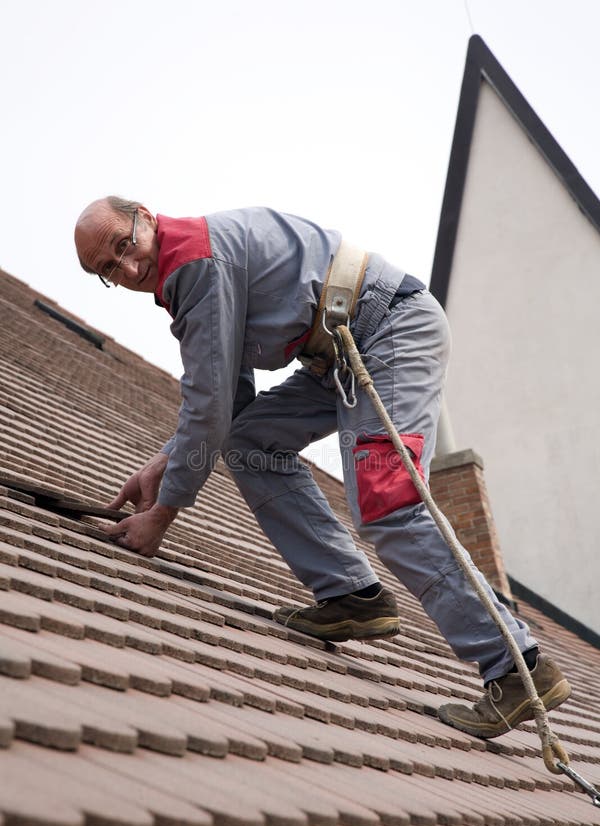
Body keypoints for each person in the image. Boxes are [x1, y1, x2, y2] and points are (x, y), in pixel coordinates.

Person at [73, 197, 571, 738]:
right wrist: (167, 459)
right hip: (340, 349)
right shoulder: (193, 264)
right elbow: (226, 403)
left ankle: (519, 667)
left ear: (145, 217)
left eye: (124, 247)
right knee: (251, 440)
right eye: (107, 270)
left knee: (390, 504)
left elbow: (210, 404)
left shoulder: (195, 262)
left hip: (386, 332)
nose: (126, 269)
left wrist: (162, 513)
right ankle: (351, 596)